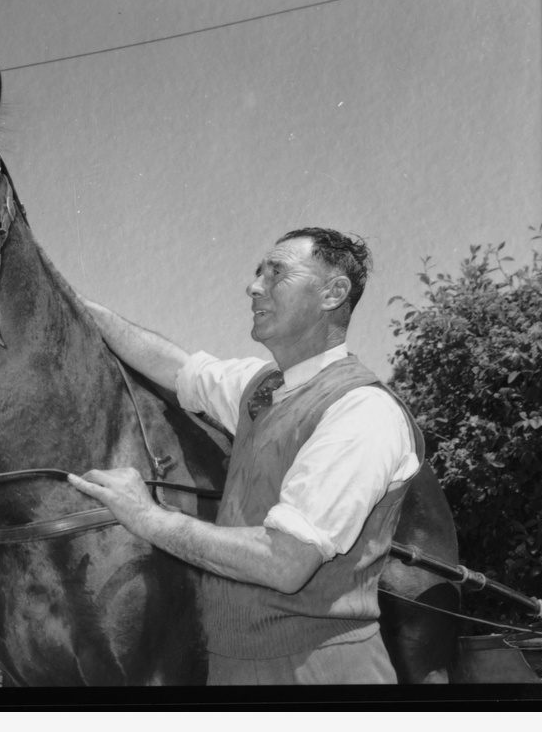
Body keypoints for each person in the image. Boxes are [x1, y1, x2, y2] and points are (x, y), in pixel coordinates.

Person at [69, 227, 423, 685]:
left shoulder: (361, 409)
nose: (254, 286)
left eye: (277, 273)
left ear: (333, 294)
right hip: (231, 667)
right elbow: (177, 368)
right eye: (258, 273)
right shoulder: (262, 385)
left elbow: (284, 561)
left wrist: (146, 517)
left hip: (321, 673)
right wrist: (77, 307)